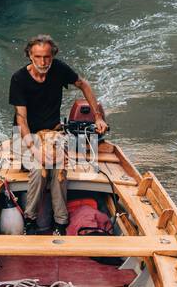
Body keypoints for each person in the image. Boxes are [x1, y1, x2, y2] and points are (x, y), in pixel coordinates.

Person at [8, 34, 108, 235]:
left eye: (47, 57)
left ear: (52, 56)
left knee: (59, 165)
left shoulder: (59, 69)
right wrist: (36, 151)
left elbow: (83, 84)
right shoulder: (19, 79)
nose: (43, 62)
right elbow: (21, 120)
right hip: (27, 136)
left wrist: (98, 117)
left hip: (54, 132)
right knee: (39, 167)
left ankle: (60, 223)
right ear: (29, 55)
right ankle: (30, 219)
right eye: (38, 56)